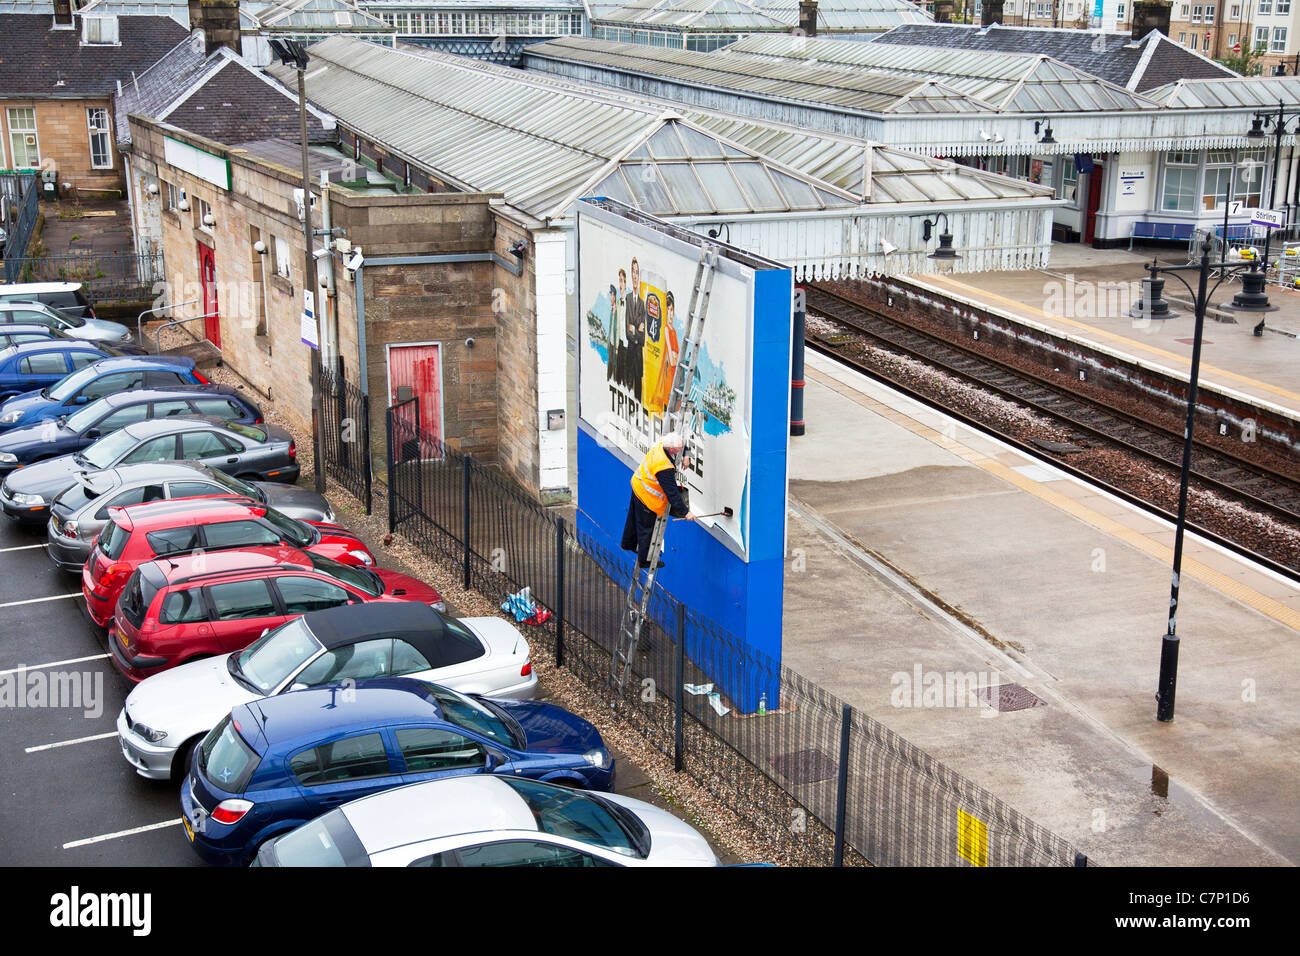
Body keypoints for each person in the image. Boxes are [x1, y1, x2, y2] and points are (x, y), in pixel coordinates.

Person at [622, 432, 695, 569]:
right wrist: (686, 512)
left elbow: (682, 441)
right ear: (672, 450)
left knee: (632, 519)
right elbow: (672, 493)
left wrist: (686, 455)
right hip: (647, 497)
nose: (680, 449)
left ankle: (628, 543)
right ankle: (644, 560)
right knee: (646, 529)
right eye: (679, 449)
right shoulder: (664, 467)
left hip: (638, 483)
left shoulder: (661, 442)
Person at [625, 258, 645, 403]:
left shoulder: (643, 304)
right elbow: (627, 332)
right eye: (633, 272)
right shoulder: (628, 298)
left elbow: (643, 339)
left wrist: (635, 332)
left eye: (637, 272)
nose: (635, 276)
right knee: (627, 391)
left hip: (638, 357)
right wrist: (636, 331)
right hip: (630, 354)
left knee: (638, 395)